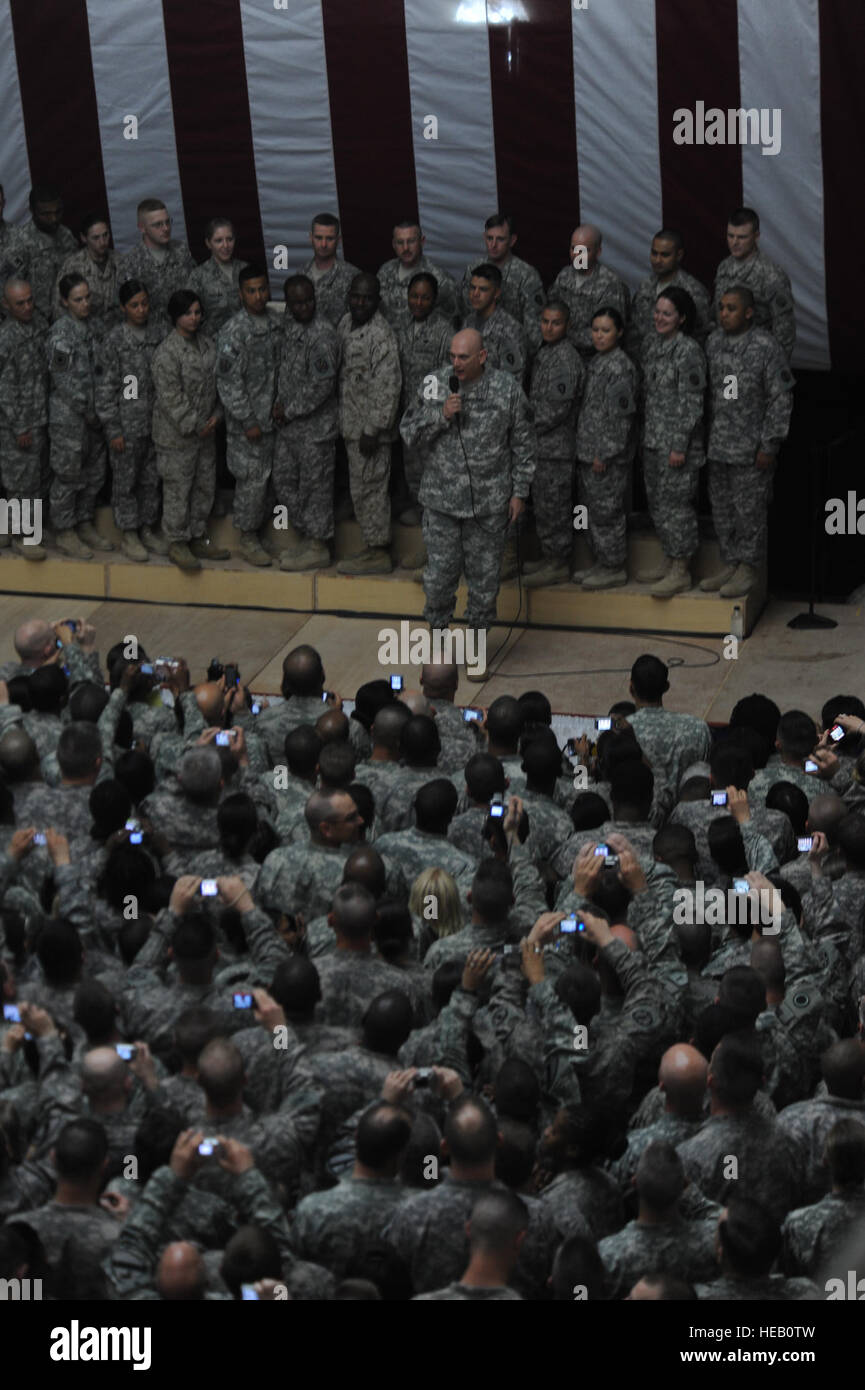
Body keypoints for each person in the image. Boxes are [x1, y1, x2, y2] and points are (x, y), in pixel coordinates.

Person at [399, 328, 535, 682]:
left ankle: (476, 652)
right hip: (442, 503)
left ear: (482, 357)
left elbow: (523, 443)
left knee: (484, 584)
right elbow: (408, 432)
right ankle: (440, 650)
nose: (455, 364)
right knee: (440, 580)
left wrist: (519, 492)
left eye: (463, 357)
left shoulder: (506, 389)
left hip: (488, 506)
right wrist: (440, 416)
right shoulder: (434, 384)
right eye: (452, 357)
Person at [702, 285, 794, 598]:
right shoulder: (713, 343)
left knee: (749, 512)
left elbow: (780, 398)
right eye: (721, 308)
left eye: (731, 308)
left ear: (749, 312)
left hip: (750, 448)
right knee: (722, 510)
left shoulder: (765, 346)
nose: (724, 314)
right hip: (718, 445)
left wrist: (769, 444)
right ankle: (730, 562)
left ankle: (749, 568)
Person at [636, 287, 706, 596]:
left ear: (681, 318)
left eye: (667, 313)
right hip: (653, 439)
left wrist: (679, 445)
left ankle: (681, 570)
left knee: (677, 507)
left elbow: (692, 403)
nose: (659, 318)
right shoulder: (652, 346)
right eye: (657, 311)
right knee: (659, 505)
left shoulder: (688, 351)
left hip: (678, 446)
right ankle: (669, 556)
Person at [151, 289, 226, 571]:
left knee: (204, 486)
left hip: (206, 432)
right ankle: (177, 542)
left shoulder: (208, 345)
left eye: (197, 312)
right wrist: (196, 424)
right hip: (178, 436)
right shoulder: (167, 352)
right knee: (178, 489)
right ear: (175, 317)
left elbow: (219, 386)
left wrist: (216, 417)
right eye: (187, 313)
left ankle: (197, 535)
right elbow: (170, 397)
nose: (194, 318)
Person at [95, 279, 167, 562]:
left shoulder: (159, 334)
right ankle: (129, 533)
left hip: (155, 424)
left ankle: (148, 528)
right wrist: (113, 429)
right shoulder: (114, 341)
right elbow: (104, 390)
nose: (141, 310)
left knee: (150, 480)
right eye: (135, 305)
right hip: (126, 426)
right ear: (123, 308)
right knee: (126, 482)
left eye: (145, 304)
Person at [335, 273, 402, 576]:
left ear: (378, 301)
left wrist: (373, 429)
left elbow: (388, 385)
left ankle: (378, 552)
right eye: (356, 296)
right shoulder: (346, 324)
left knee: (372, 490)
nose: (360, 302)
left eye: (367, 298)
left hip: (369, 433)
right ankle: (371, 546)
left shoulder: (381, 335)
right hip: (350, 424)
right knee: (360, 490)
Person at [216, 265, 282, 567]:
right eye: (251, 291)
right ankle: (246, 537)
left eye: (262, 289)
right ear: (241, 294)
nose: (259, 296)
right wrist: (248, 420)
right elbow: (229, 383)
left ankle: (258, 530)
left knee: (268, 482)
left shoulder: (275, 323)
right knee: (251, 483)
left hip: (274, 421)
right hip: (248, 425)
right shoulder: (234, 331)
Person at [273, 274, 339, 572]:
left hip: (315, 428)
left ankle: (319, 545)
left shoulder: (322, 335)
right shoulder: (290, 325)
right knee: (284, 483)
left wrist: (288, 410)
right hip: (289, 428)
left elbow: (320, 386)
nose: (304, 307)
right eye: (297, 303)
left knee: (315, 488)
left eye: (309, 300)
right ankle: (308, 535)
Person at [572, 306, 638, 589]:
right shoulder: (597, 361)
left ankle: (613, 567)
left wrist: (605, 453)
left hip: (606, 456)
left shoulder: (620, 367)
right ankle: (601, 561)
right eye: (595, 330)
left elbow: (621, 419)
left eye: (606, 330)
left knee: (607, 512)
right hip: (588, 451)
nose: (599, 336)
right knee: (593, 511)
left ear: (619, 333)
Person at [47, 274, 111, 559]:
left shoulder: (95, 328)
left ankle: (84, 523)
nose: (85, 303)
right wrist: (87, 410)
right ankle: (64, 531)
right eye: (78, 299)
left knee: (93, 474)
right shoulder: (60, 335)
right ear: (64, 301)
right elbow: (62, 379)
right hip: (71, 419)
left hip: (97, 416)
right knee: (69, 474)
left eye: (87, 297)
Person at [523, 301, 583, 588]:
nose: (548, 327)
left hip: (555, 449)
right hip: (541, 447)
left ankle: (558, 563)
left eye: (555, 323)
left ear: (567, 325)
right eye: (544, 321)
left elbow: (557, 410)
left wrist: (523, 425)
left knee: (555, 508)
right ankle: (549, 556)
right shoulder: (546, 353)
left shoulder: (565, 360)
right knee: (545, 507)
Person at [393, 272, 452, 533]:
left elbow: (449, 377)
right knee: (412, 472)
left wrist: (434, 414)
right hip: (406, 414)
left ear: (434, 300)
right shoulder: (400, 325)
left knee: (432, 475)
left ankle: (434, 525)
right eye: (414, 296)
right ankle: (421, 516)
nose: (418, 302)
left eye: (425, 297)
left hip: (430, 416)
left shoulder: (444, 332)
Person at [0, 278, 48, 560]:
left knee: (35, 478)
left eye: (30, 300)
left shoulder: (40, 327)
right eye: (21, 303)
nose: (28, 306)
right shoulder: (5, 339)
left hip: (40, 416)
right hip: (16, 424)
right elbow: (5, 389)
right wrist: (19, 426)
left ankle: (19, 528)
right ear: (6, 305)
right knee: (20, 480)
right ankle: (22, 536)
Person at [711, 207, 795, 361]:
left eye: (742, 237)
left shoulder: (771, 275)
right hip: (724, 357)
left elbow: (785, 330)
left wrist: (774, 369)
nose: (735, 242)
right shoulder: (724, 267)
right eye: (730, 236)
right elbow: (717, 314)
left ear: (756, 236)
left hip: (756, 360)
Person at [459, 213, 545, 355]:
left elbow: (534, 331)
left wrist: (521, 357)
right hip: (475, 353)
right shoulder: (473, 269)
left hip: (511, 351)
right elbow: (465, 312)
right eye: (489, 238)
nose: (493, 245)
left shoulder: (527, 275)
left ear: (512, 240)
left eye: (500, 239)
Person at [548, 224, 630, 358]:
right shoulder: (564, 275)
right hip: (561, 353)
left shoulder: (610, 284)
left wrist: (564, 335)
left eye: (584, 250)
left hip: (595, 358)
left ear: (598, 252)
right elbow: (551, 312)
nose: (577, 255)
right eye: (574, 248)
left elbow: (608, 332)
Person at [628, 228, 711, 356]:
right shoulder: (646, 285)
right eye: (654, 253)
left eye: (665, 255)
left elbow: (701, 336)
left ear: (679, 255)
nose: (657, 260)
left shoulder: (693, 290)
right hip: (644, 361)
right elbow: (634, 327)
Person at [116, 199, 195, 326]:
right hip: (152, 335)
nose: (166, 228)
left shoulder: (182, 250)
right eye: (158, 225)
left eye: (168, 222)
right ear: (142, 228)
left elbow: (194, 290)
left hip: (185, 328)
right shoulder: (129, 263)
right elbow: (126, 311)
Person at [16, 184, 78, 320]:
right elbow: (13, 289)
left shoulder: (66, 235)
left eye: (57, 212)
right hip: (35, 320)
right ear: (32, 211)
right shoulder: (20, 242)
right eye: (46, 214)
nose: (54, 219)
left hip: (68, 316)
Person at [378, 221, 457, 326]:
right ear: (394, 244)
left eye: (411, 241)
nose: (405, 248)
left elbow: (452, 325)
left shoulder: (441, 279)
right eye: (400, 242)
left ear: (422, 241)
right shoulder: (385, 271)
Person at [53, 213, 119, 336]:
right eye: (96, 238)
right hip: (87, 335)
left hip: (118, 333)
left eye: (105, 235)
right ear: (84, 238)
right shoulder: (73, 266)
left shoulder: (120, 261)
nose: (103, 242)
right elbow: (59, 307)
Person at [461, 263, 527, 379]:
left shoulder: (510, 329)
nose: (475, 294)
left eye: (483, 289)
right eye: (472, 287)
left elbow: (513, 381)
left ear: (496, 293)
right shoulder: (468, 322)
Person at [189, 218, 248, 340]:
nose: (225, 245)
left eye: (229, 239)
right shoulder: (198, 276)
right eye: (218, 240)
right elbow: (191, 316)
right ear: (208, 243)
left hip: (247, 341)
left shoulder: (245, 270)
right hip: (214, 343)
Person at [298, 213, 359, 329]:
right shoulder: (301, 274)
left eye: (329, 238)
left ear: (338, 240)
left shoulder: (353, 277)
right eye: (318, 238)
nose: (323, 244)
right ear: (311, 237)